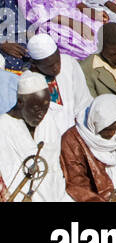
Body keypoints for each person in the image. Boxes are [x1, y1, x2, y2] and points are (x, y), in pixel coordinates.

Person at [59, 94, 116, 201]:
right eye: (108, 129)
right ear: (96, 124)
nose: (112, 133)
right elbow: (77, 184)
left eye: (115, 128)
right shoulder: (73, 139)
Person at [0, 72, 69, 202]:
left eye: (46, 108)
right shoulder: (3, 126)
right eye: (36, 109)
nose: (41, 115)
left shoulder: (47, 120)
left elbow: (54, 162)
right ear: (20, 102)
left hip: (55, 193)